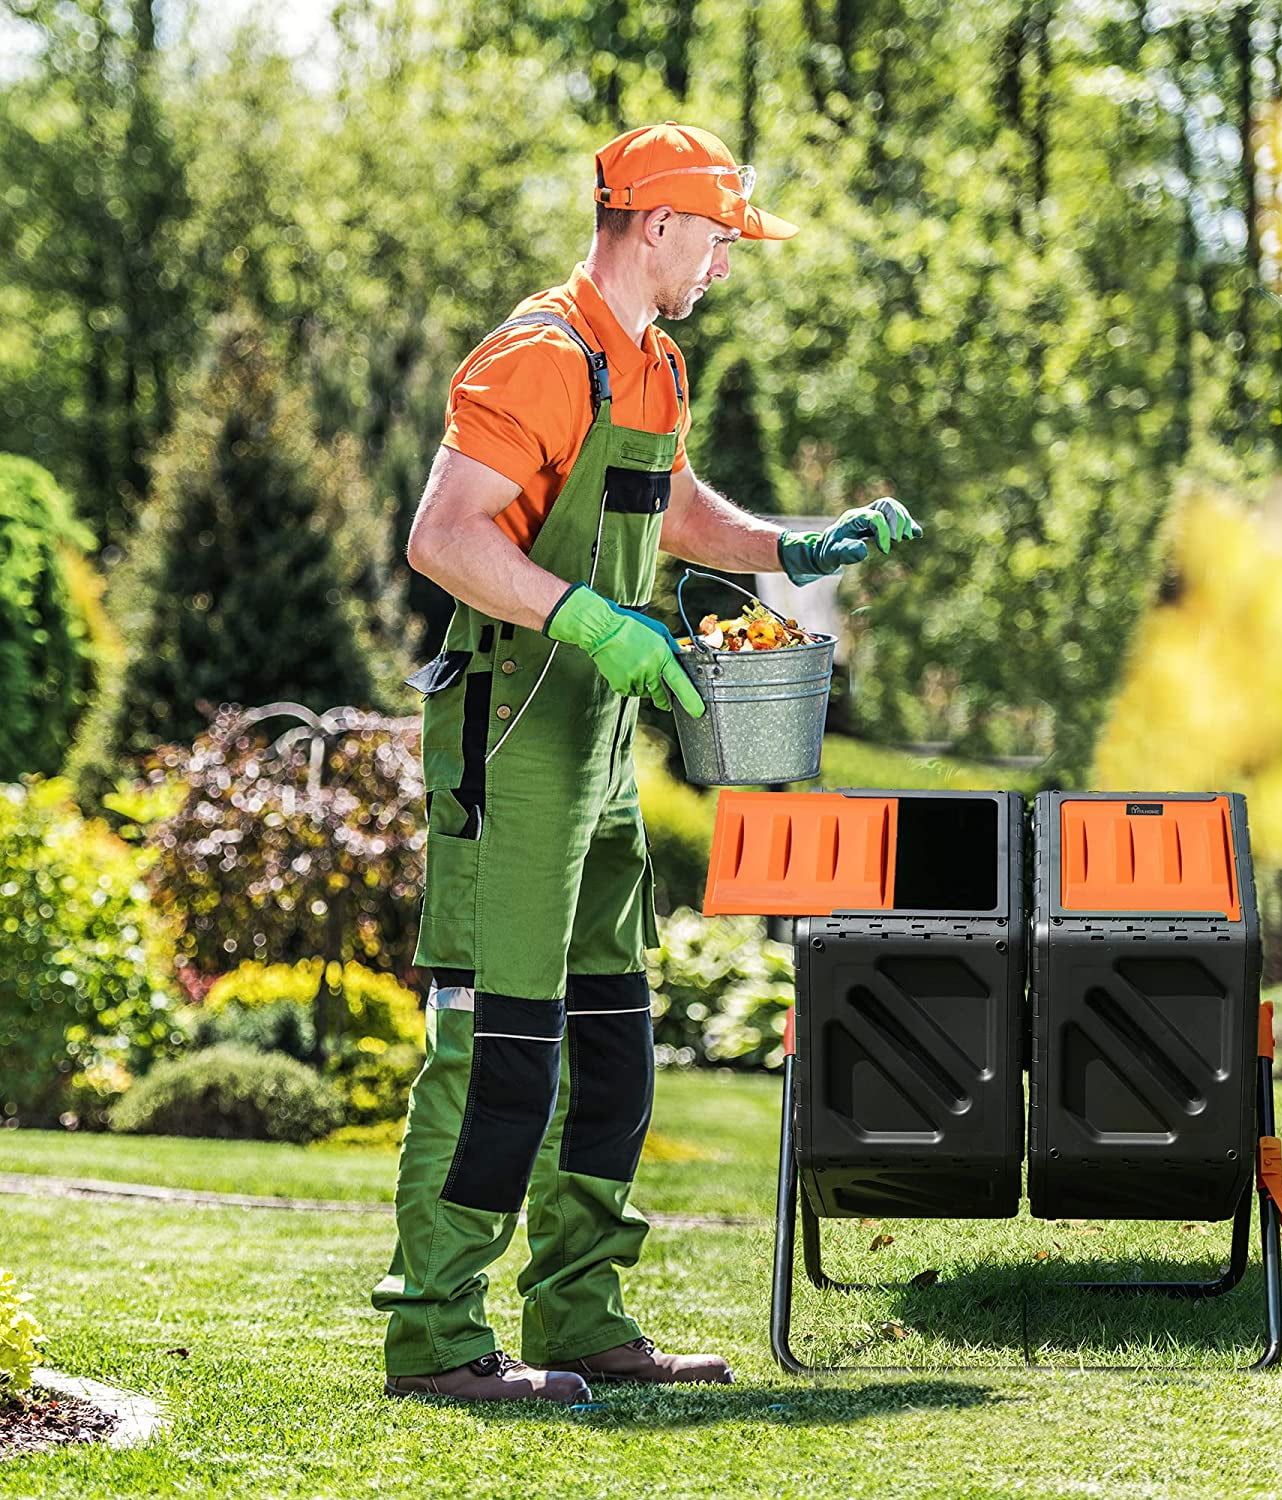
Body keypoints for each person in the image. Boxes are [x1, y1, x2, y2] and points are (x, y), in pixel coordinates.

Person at [372, 121, 922, 1405]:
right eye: (721, 231)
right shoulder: (539, 354)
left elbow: (673, 511)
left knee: (614, 1034)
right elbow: (443, 538)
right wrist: (582, 616)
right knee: (500, 1037)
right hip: (512, 736)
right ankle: (438, 1333)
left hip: (605, 744)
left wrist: (798, 548)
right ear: (659, 223)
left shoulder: (652, 365)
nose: (728, 255)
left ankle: (578, 1308)